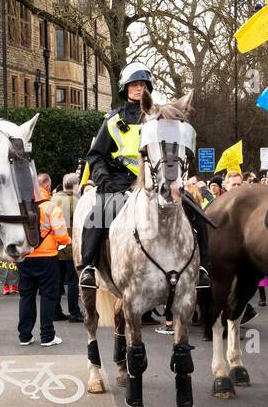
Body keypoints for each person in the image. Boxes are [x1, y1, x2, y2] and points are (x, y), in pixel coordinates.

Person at [79, 62, 210, 290]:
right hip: (120, 181)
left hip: (158, 178)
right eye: (134, 85)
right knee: (99, 214)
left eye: (143, 85)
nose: (139, 89)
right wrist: (104, 181)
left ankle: (203, 268)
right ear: (125, 88)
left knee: (195, 211)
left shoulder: (160, 116)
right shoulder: (113, 120)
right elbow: (96, 155)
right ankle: (88, 267)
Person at [18, 173, 69, 347]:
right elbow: (62, 235)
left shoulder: (23, 208)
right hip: (48, 257)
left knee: (26, 296)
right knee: (48, 296)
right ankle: (47, 336)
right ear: (47, 187)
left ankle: (24, 336)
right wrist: (66, 242)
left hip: (25, 256)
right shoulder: (51, 207)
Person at [52, 173, 82, 322]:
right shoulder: (77, 201)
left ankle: (56, 311)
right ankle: (74, 312)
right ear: (75, 186)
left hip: (54, 246)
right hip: (71, 246)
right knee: (73, 281)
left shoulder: (52, 200)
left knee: (56, 280)